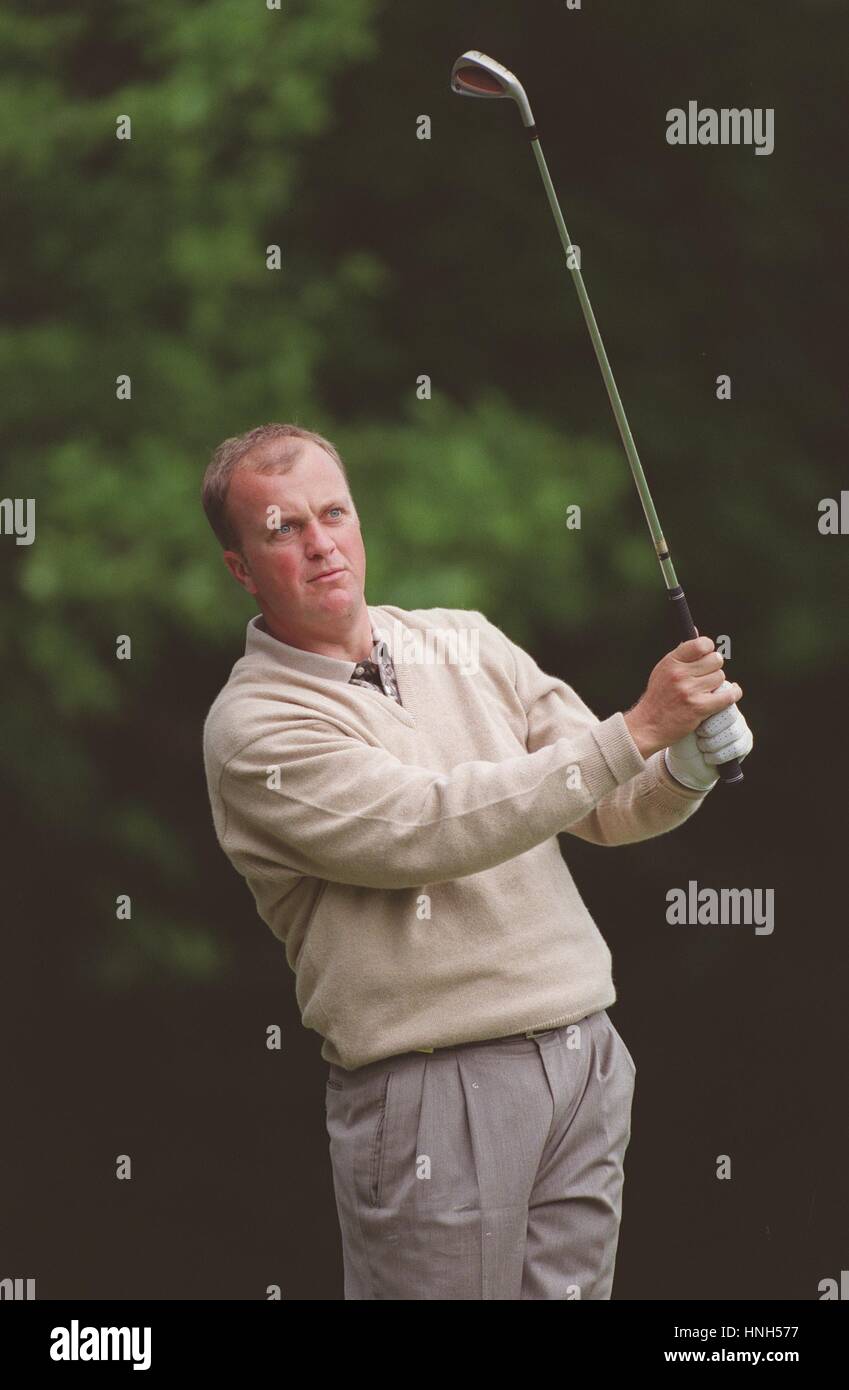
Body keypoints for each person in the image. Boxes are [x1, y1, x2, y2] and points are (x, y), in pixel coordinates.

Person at [200, 421, 753, 1300]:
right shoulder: (254, 730)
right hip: (430, 1090)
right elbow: (425, 829)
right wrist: (639, 728)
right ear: (240, 566)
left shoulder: (462, 640)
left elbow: (605, 800)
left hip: (583, 1058)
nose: (320, 544)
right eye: (282, 529)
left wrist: (684, 762)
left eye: (333, 513)